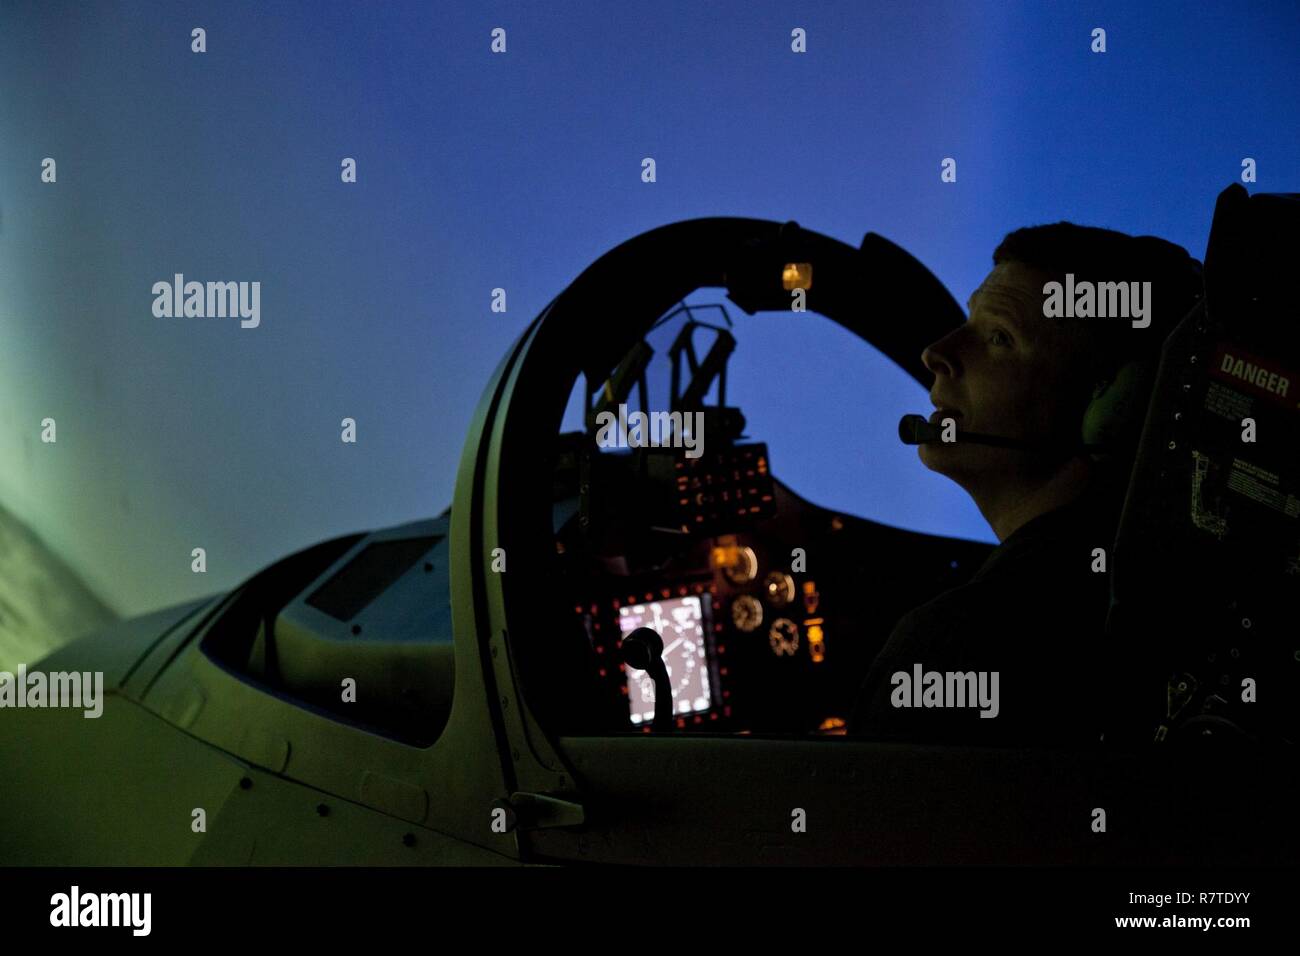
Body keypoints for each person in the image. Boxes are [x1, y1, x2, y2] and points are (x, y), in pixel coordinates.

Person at [847, 223, 1203, 746]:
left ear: (1107, 413)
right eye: (970, 322)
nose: (936, 352)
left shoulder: (956, 643)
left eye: (999, 337)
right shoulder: (1169, 595)